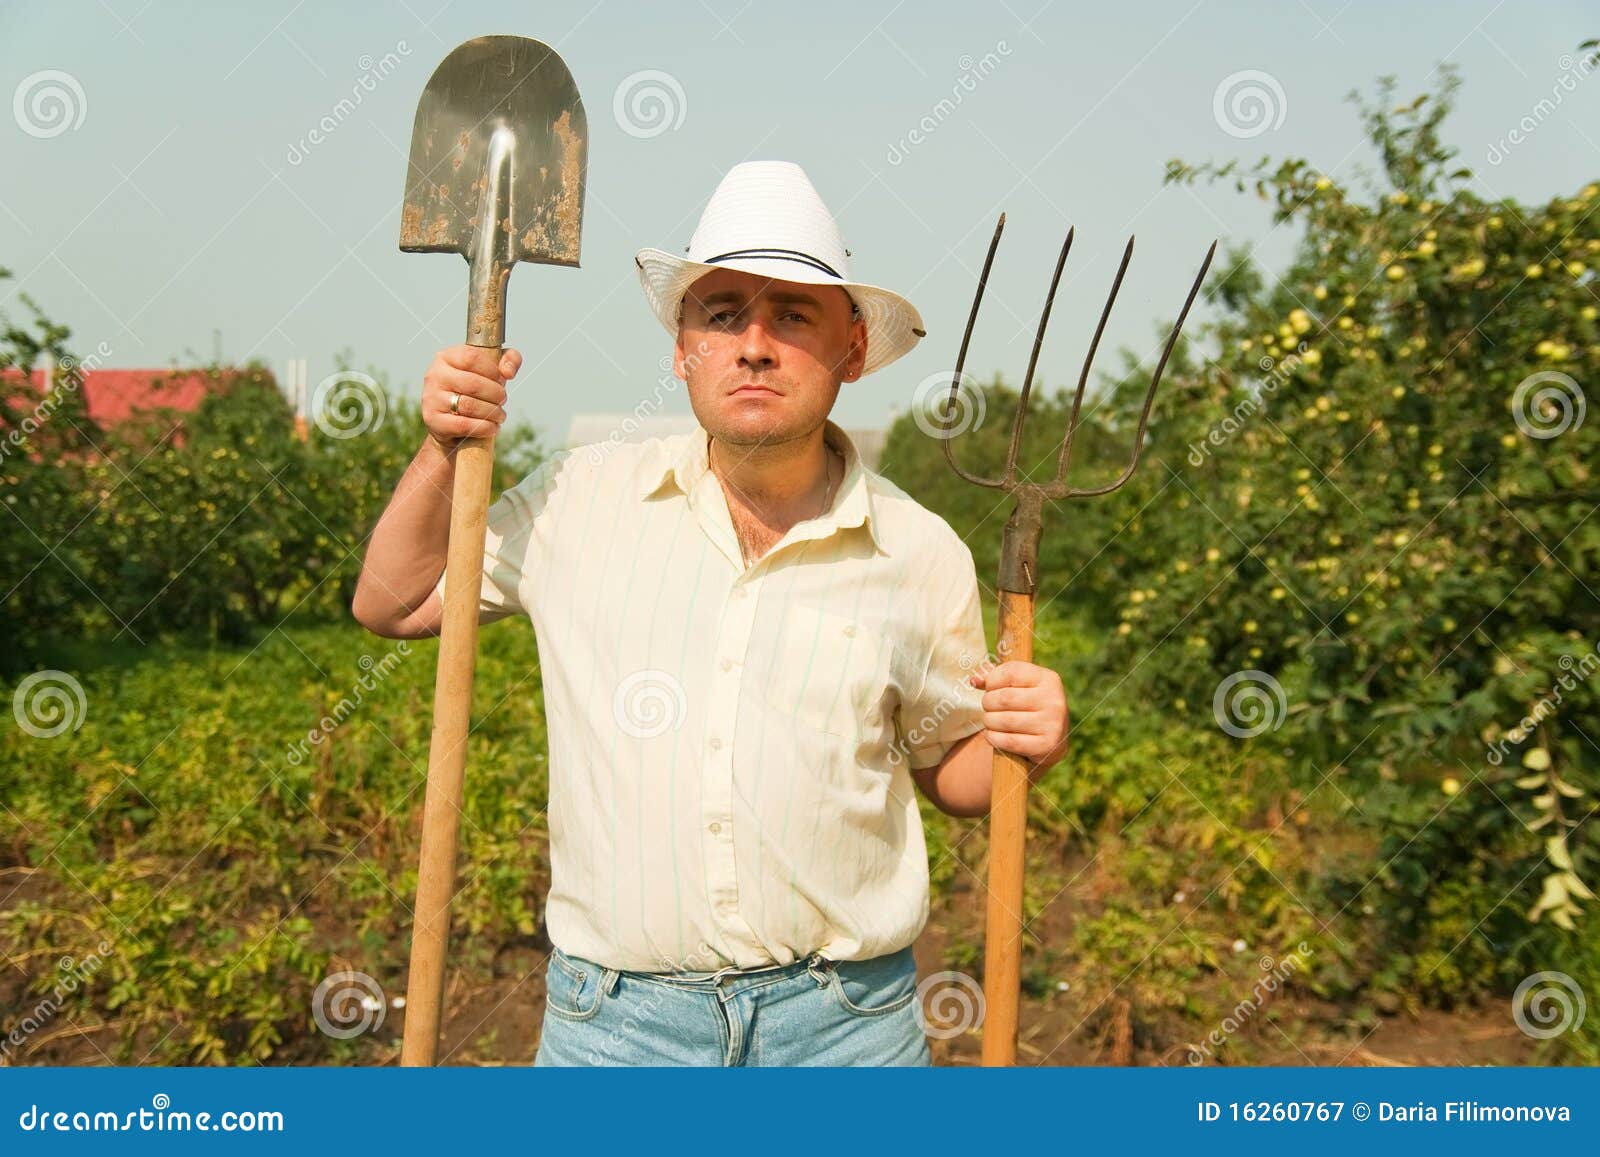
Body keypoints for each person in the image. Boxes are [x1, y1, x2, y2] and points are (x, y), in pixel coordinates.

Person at [352, 160, 1069, 1066]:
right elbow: (396, 600)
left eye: (793, 314)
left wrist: (1025, 738)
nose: (755, 343)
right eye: (723, 314)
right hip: (616, 1032)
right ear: (683, 349)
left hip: (846, 1033)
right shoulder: (578, 497)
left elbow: (953, 773)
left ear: (852, 351)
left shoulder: (919, 551)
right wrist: (443, 447)